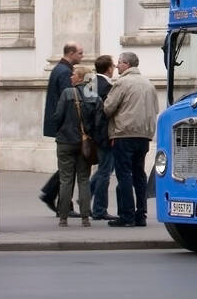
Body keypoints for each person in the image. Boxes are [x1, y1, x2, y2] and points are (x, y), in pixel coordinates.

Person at [103, 52, 160, 227]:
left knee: (124, 175)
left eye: (119, 63)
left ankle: (127, 216)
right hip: (144, 135)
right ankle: (141, 215)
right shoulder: (149, 84)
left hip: (124, 133)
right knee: (139, 175)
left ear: (127, 64)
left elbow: (108, 108)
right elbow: (155, 109)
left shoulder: (122, 82)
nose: (117, 66)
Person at [50, 65, 106, 227]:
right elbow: (98, 123)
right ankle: (85, 218)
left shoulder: (67, 93)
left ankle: (63, 218)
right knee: (84, 180)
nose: (71, 77)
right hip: (85, 144)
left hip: (65, 141)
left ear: (81, 77)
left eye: (74, 74)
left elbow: (58, 116)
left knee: (66, 180)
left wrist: (61, 129)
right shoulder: (95, 97)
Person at [40, 41, 84, 214]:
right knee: (69, 167)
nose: (81, 56)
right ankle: (62, 203)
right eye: (80, 53)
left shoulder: (58, 69)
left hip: (61, 125)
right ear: (71, 53)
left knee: (67, 165)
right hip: (67, 126)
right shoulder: (66, 72)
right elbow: (70, 100)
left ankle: (50, 193)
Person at [87, 54, 117, 220]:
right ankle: (99, 209)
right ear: (109, 68)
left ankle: (85, 196)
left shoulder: (90, 84)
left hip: (94, 134)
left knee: (104, 170)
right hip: (105, 135)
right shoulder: (107, 87)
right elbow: (107, 113)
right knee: (105, 172)